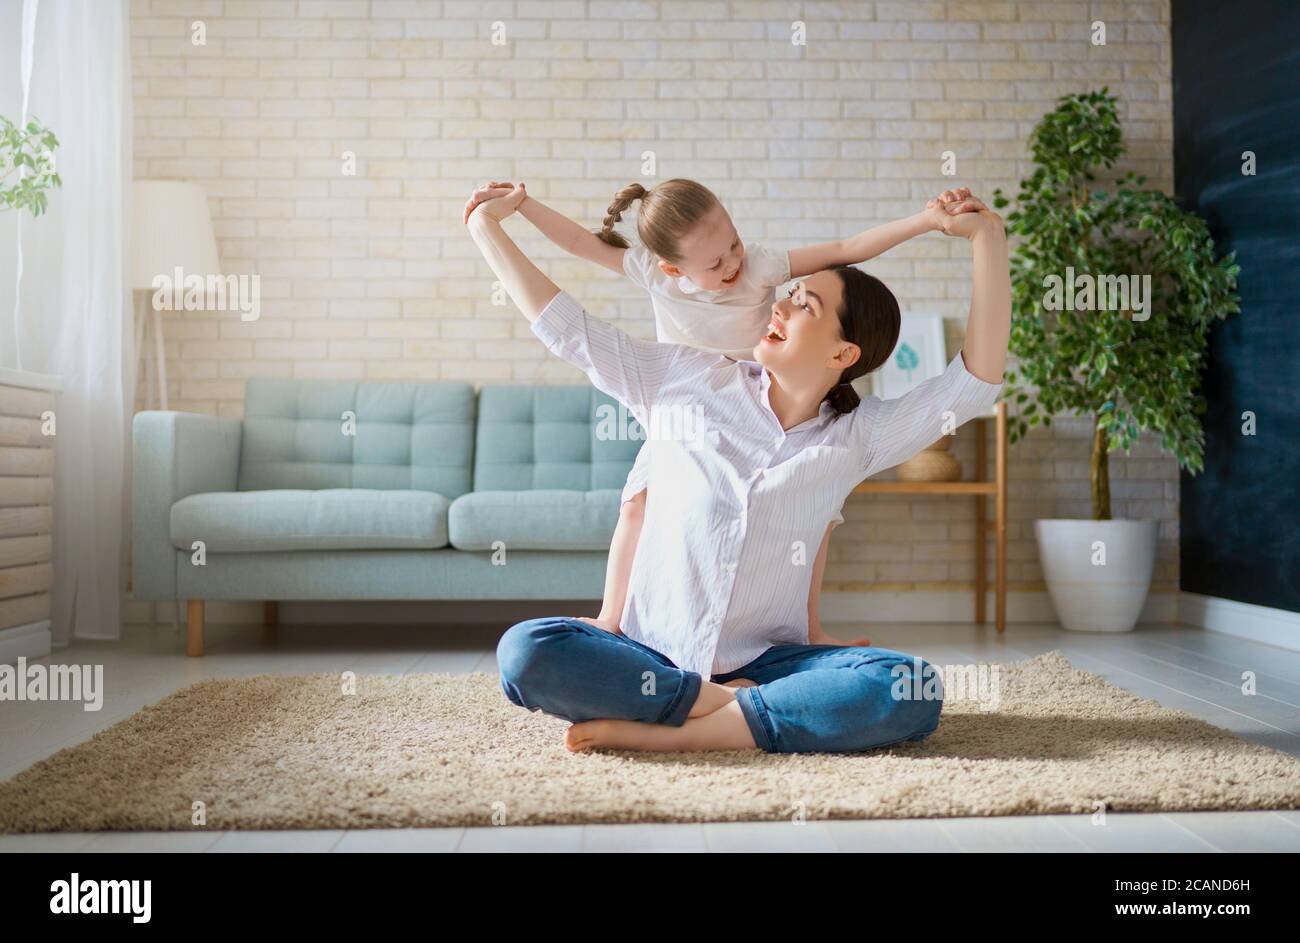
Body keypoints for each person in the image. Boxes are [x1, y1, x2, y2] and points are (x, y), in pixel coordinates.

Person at [465, 184, 1009, 755]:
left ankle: (684, 728)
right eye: (790, 295)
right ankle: (733, 709)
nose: (779, 305)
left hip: (770, 663)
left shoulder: (859, 436)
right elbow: (569, 328)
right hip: (650, 654)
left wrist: (986, 236)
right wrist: (486, 227)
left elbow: (973, 384)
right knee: (527, 650)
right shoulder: (682, 378)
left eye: (804, 306)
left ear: (843, 355)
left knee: (911, 686)